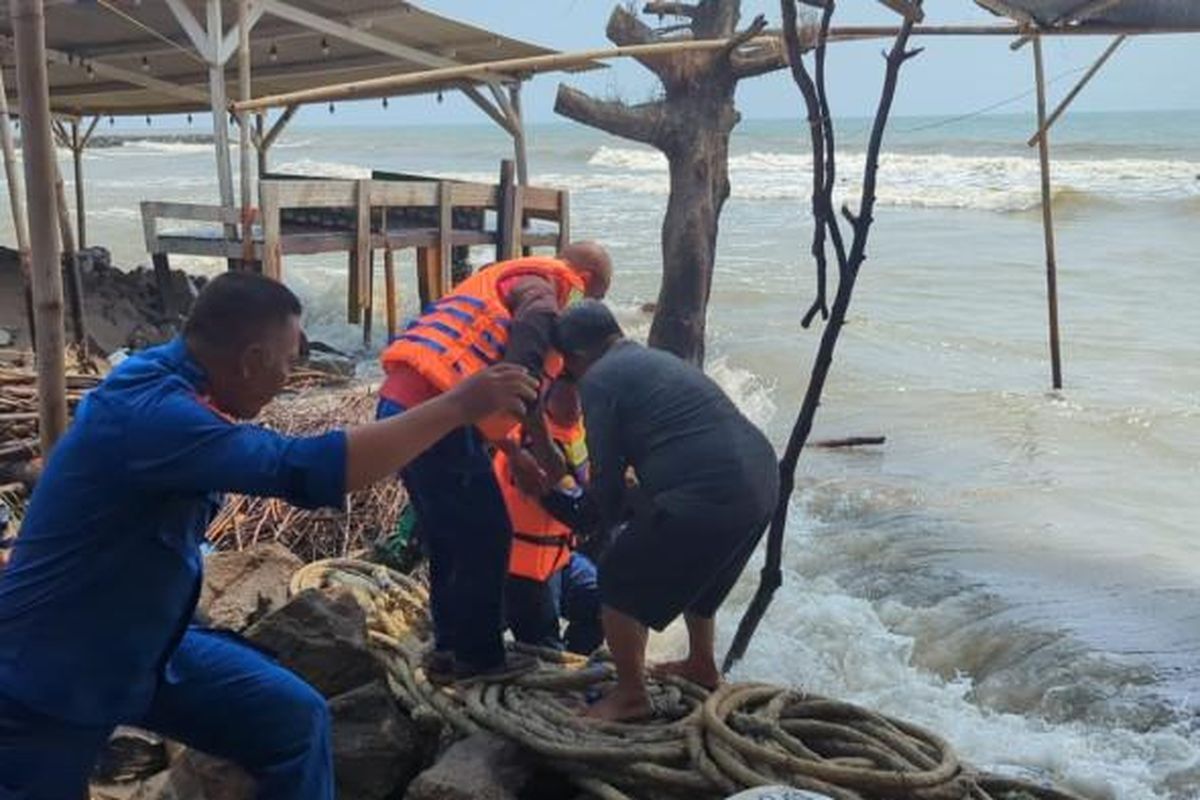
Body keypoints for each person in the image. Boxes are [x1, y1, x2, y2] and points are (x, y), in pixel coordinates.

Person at [0, 272, 537, 800]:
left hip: (144, 644)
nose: (289, 374)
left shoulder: (169, 379)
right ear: (251, 360)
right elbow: (305, 469)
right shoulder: (156, 417)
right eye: (287, 361)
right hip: (52, 666)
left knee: (292, 720)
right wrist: (456, 407)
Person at [376, 243, 612, 680]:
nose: (581, 310)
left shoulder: (507, 277)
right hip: (437, 412)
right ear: (581, 277)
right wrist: (539, 448)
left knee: (450, 535)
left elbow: (485, 394)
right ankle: (479, 661)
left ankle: (451, 649)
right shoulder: (543, 294)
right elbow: (518, 376)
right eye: (588, 297)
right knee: (486, 536)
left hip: (408, 403)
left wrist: (515, 451)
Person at [553, 301, 779, 722]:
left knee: (617, 576)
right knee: (700, 580)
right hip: (762, 480)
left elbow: (605, 487)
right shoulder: (651, 359)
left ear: (576, 358)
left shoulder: (599, 380)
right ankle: (702, 665)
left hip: (712, 491)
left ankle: (630, 695)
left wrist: (554, 498)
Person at [497, 379, 602, 656]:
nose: (574, 403)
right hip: (521, 570)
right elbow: (577, 513)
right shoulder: (532, 444)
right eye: (566, 394)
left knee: (606, 604)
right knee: (544, 652)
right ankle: (556, 678)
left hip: (559, 558)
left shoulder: (577, 428)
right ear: (545, 396)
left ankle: (576, 664)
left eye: (578, 393)